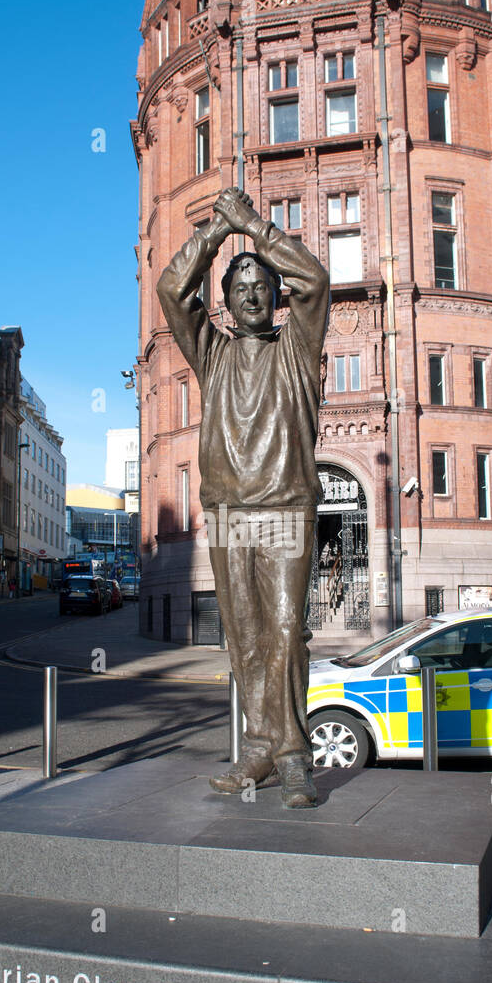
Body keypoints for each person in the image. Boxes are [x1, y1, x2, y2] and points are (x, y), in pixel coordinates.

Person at [157, 187, 329, 809]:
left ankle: (291, 754)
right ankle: (258, 748)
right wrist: (214, 234)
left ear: (275, 297)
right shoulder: (213, 353)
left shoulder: (297, 346)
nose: (253, 294)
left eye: (262, 285)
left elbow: (314, 279)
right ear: (225, 303)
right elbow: (174, 291)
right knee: (246, 634)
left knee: (286, 630)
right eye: (240, 288)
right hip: (230, 514)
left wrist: (253, 226)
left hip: (284, 508)